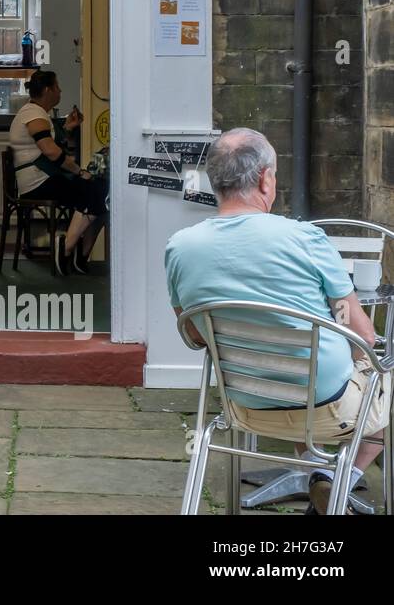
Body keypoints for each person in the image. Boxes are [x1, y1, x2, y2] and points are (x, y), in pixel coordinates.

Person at [166, 128, 389, 515]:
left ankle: (320, 472)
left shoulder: (180, 247)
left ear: (215, 181)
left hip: (244, 405)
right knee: (375, 380)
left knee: (307, 374)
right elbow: (363, 334)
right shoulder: (305, 239)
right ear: (266, 178)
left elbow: (193, 334)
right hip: (328, 409)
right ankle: (337, 481)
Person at [9, 69, 107, 273]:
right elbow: (51, 151)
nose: (60, 91)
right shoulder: (32, 115)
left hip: (42, 179)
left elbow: (48, 141)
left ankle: (79, 256)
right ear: (47, 90)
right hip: (37, 184)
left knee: (101, 193)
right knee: (96, 192)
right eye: (57, 87)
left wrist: (68, 127)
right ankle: (66, 250)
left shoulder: (37, 113)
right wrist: (80, 172)